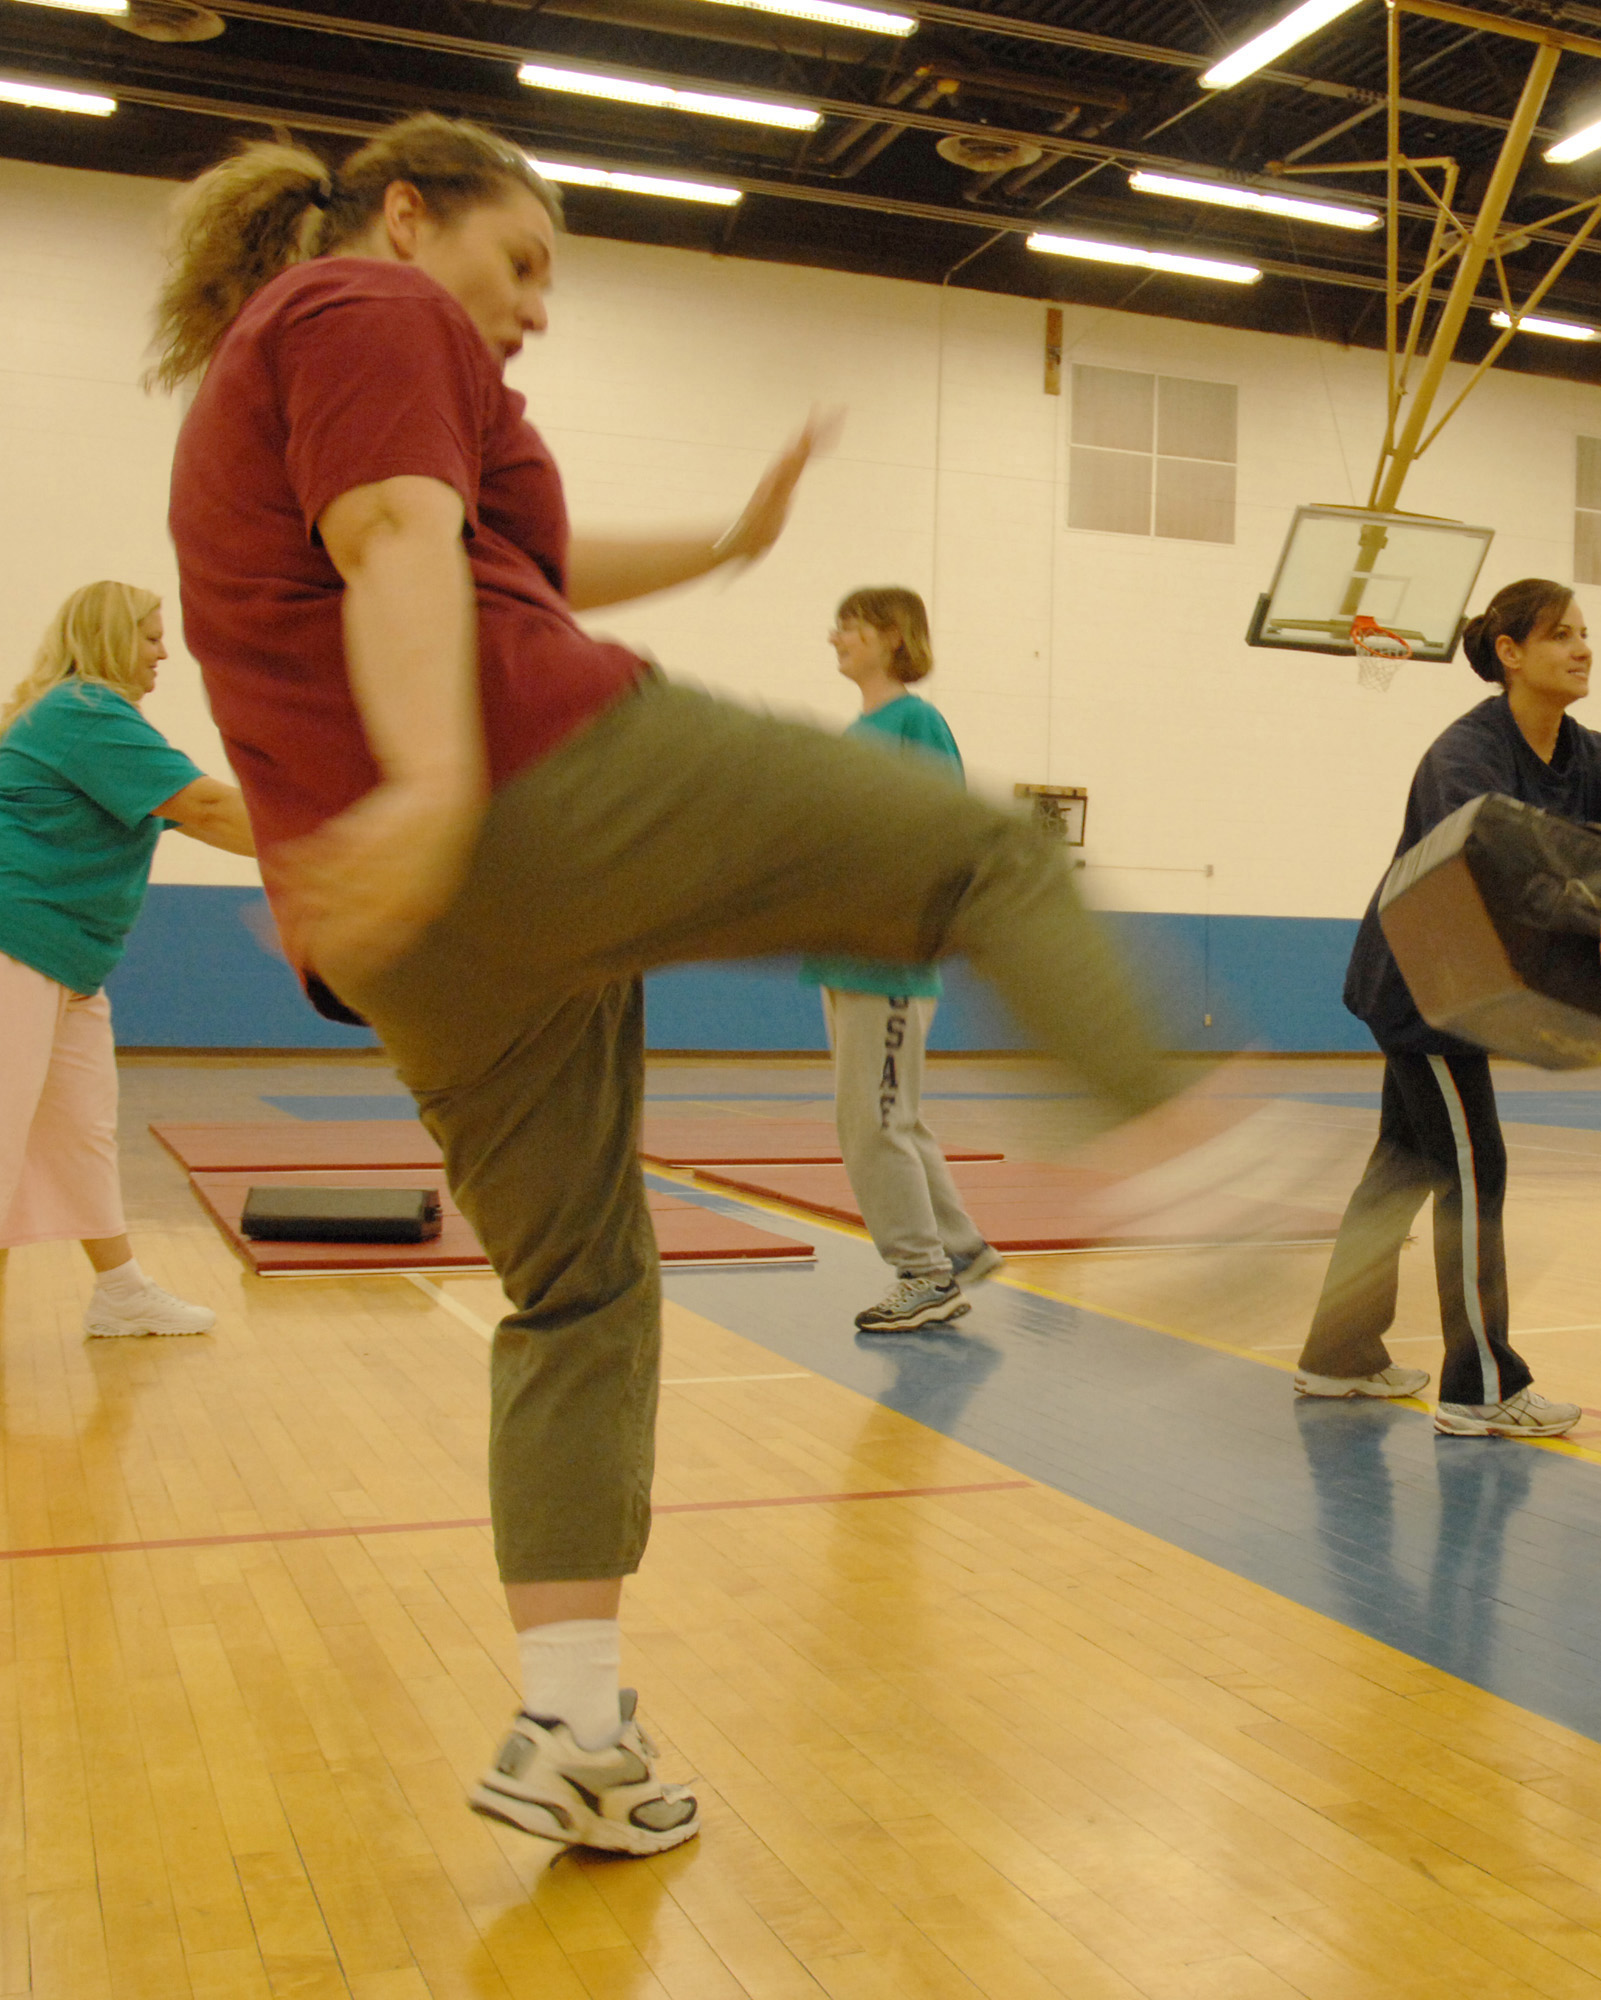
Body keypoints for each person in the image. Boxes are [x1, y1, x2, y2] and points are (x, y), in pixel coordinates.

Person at [155, 115, 1189, 1859]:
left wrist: (725, 543)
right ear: (411, 216)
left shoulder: (287, 372)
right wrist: (431, 780)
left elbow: (491, 546)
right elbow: (400, 537)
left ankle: (569, 1723)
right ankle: (1207, 1162)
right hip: (520, 782)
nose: (539, 307)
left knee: (578, 1288)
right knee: (983, 853)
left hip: (405, 938)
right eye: (525, 261)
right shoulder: (363, 304)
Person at [1296, 580, 1601, 1440]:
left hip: (1470, 990)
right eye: (1560, 635)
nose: (1582, 647)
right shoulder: (1467, 754)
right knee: (1472, 1168)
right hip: (1426, 990)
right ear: (1510, 653)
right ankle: (1481, 1384)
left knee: (1403, 1166)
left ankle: (1339, 1354)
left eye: (1585, 633)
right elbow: (1503, 871)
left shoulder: (1593, 757)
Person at [0, 582, 255, 1337]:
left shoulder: (88, 719)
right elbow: (206, 807)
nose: (164, 653)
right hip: (17, 946)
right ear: (112, 639)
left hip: (65, 960)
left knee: (79, 1130)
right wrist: (343, 844)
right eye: (150, 637)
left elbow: (199, 810)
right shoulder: (82, 712)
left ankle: (120, 1289)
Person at [801, 586, 1003, 1335]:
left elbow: (949, 831)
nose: (835, 638)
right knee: (894, 1117)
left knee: (873, 1124)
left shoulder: (916, 722)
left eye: (847, 625)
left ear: (891, 635)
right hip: (846, 960)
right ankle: (957, 1247)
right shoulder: (860, 732)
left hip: (886, 965)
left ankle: (924, 1276)